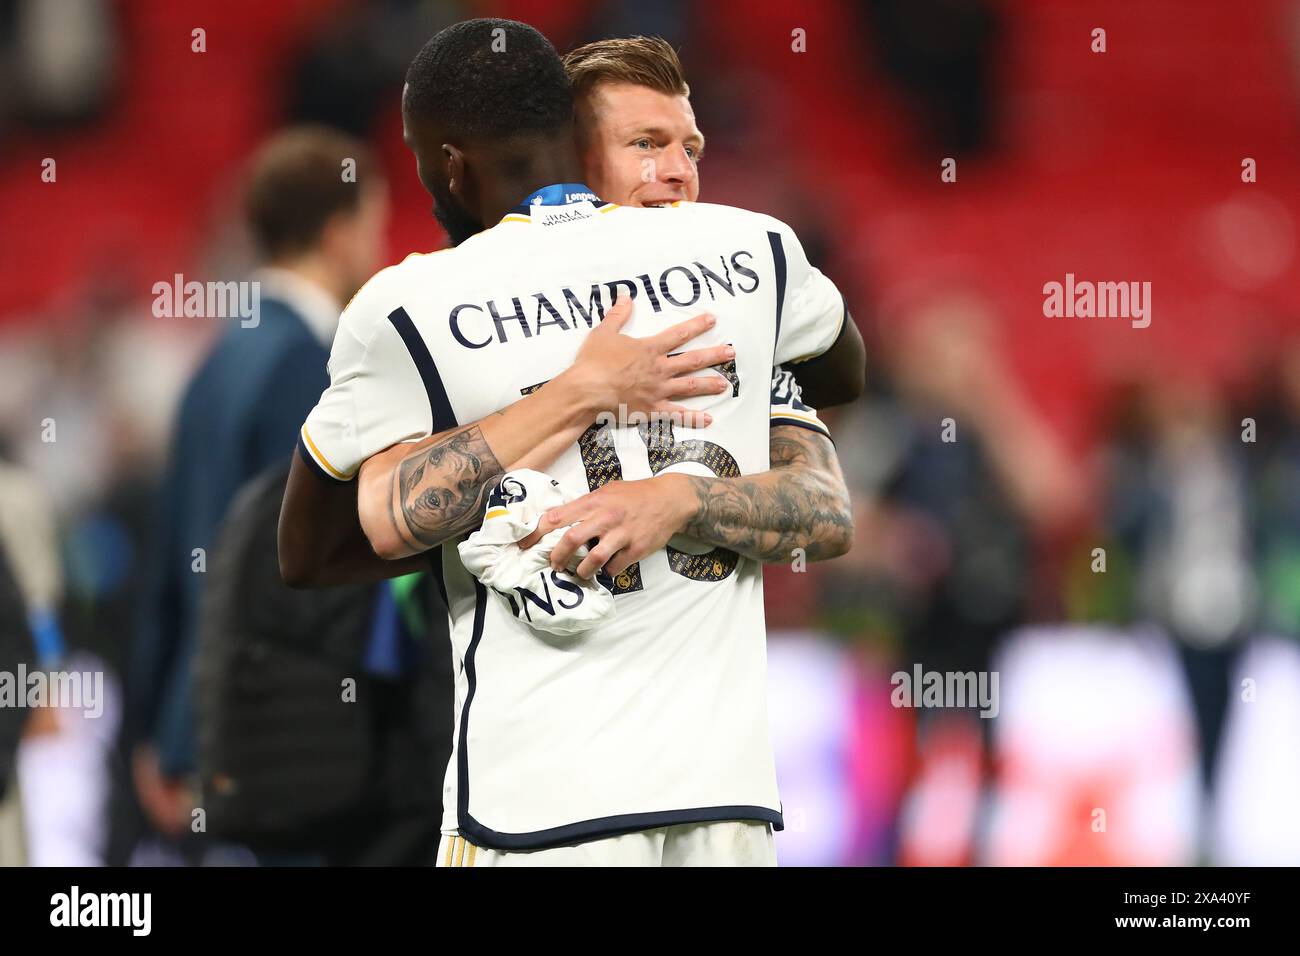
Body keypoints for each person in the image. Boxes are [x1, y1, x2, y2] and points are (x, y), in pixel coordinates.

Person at [289, 18, 854, 865]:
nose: (675, 171)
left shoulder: (414, 303)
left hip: (563, 803)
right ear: (577, 146)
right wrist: (600, 405)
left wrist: (650, 475)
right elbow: (843, 373)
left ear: (449, 161)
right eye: (649, 143)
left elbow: (319, 542)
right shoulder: (752, 253)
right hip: (679, 803)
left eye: (688, 146)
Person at [130, 126, 402, 849]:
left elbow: (171, 554)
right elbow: (312, 569)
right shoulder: (306, 366)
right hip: (285, 731)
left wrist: (159, 724)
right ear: (340, 233)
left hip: (212, 715)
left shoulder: (214, 361)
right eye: (372, 225)